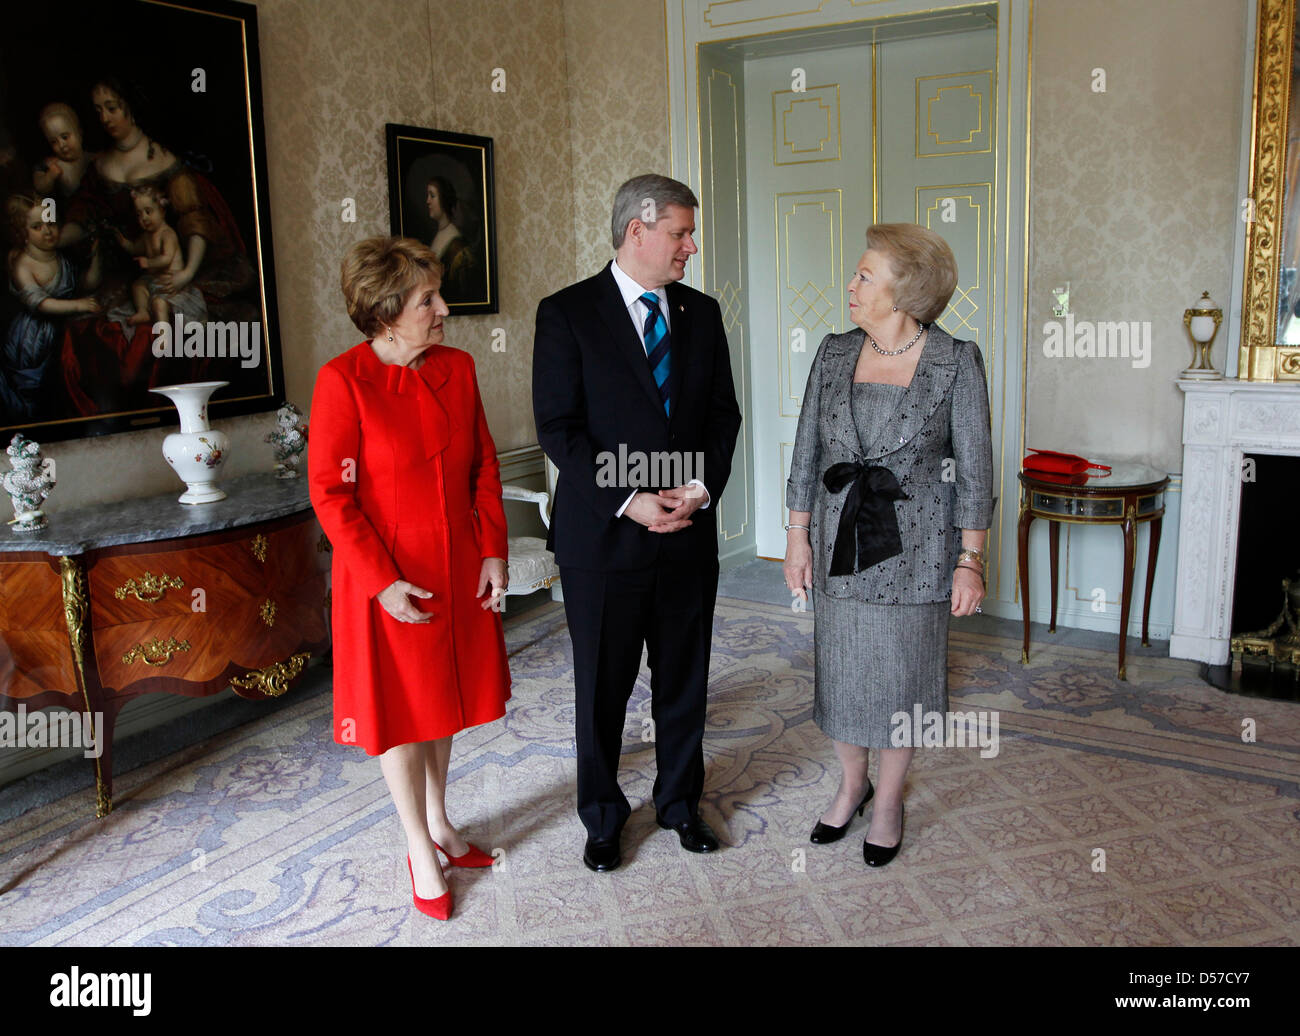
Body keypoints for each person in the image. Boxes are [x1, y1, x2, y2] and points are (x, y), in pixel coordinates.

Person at [532, 173, 742, 872]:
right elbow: (559, 430)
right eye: (681, 232)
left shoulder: (702, 313)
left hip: (686, 532)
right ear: (637, 232)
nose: (690, 246)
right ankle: (602, 815)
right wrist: (628, 498)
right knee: (602, 686)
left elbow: (722, 417)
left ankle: (680, 803)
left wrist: (699, 488)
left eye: (690, 232)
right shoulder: (566, 314)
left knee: (684, 678)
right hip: (604, 537)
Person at [308, 236, 511, 920]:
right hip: (388, 578)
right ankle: (419, 847)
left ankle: (443, 822)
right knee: (401, 712)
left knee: (443, 699)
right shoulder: (342, 382)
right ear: (388, 313)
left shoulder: (457, 366)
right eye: (430, 299)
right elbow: (332, 496)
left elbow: (484, 463)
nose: (445, 309)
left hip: (457, 564)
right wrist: (380, 581)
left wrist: (492, 551)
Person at [783, 223, 993, 868]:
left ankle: (889, 800)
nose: (850, 285)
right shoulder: (833, 351)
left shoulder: (957, 360)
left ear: (906, 290)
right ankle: (852, 783)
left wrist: (970, 560)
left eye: (865, 276)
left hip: (919, 554)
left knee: (905, 684)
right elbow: (806, 453)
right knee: (844, 677)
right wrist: (796, 535)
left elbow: (977, 470)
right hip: (838, 545)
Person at [3, 193, 101, 421]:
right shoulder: (23, 265)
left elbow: (85, 285)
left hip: (62, 330)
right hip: (35, 337)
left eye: (51, 224)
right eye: (37, 226)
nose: (47, 231)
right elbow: (41, 304)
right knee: (35, 393)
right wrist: (77, 305)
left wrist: (97, 257)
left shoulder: (60, 258)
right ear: (22, 233)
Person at [114, 184, 206, 327]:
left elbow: (166, 258)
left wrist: (149, 263)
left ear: (162, 211)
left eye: (148, 212)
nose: (143, 218)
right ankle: (143, 311)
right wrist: (123, 242)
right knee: (138, 286)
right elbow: (135, 248)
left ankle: (164, 335)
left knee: (158, 303)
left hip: (171, 284)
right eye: (139, 214)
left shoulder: (167, 234)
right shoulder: (146, 236)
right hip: (154, 281)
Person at [426, 176, 479, 304]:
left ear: (443, 199)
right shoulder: (437, 236)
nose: (427, 201)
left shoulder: (458, 246)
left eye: (432, 196)